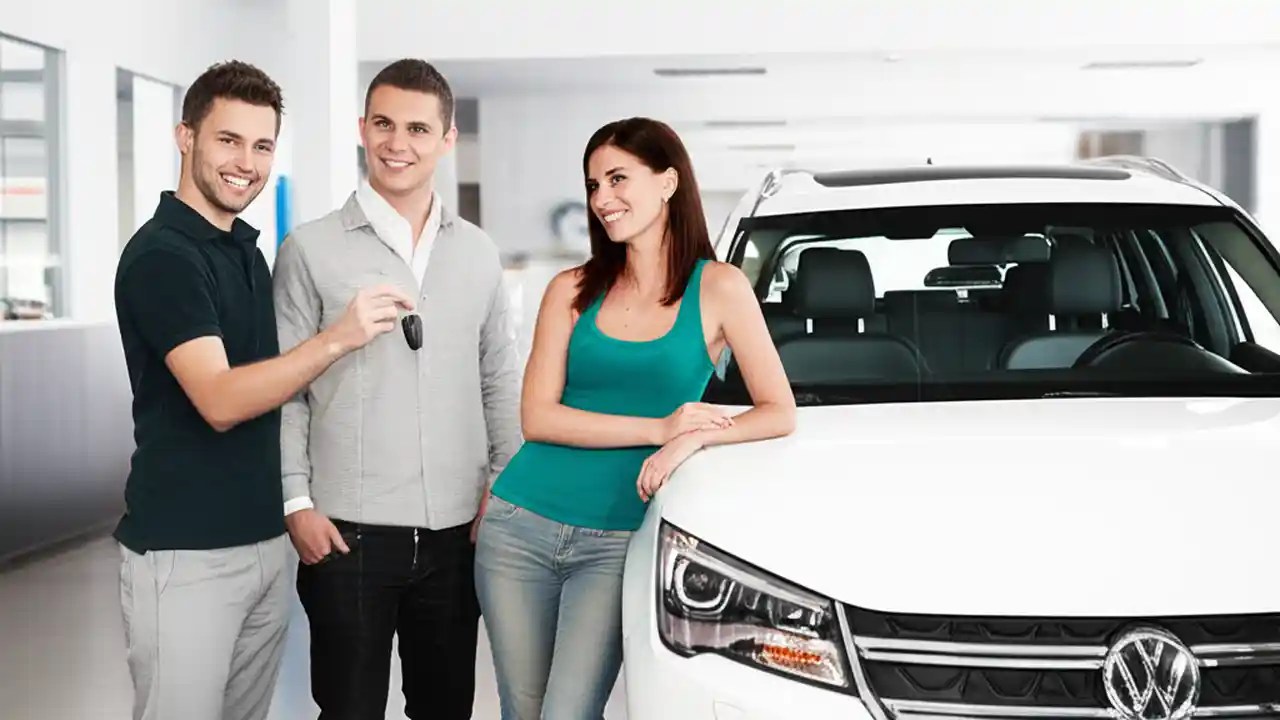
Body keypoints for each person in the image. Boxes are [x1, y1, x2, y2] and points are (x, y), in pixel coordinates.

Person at [113, 61, 414, 720]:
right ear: (184, 137)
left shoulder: (244, 250)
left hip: (260, 545)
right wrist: (337, 338)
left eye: (262, 145)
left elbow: (282, 387)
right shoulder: (164, 257)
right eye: (227, 140)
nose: (245, 162)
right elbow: (220, 400)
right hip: (185, 556)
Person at [475, 117, 797, 719]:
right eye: (593, 184)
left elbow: (779, 411)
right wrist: (659, 430)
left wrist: (689, 443)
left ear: (669, 181)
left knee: (568, 713)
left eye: (618, 179)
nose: (602, 199)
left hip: (618, 537)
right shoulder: (570, 289)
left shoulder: (720, 288)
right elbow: (538, 419)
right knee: (521, 712)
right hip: (519, 524)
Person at [272, 58, 522, 719]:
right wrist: (296, 501)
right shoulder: (310, 249)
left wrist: (505, 478)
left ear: (447, 140)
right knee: (348, 709)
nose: (397, 143)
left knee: (445, 708)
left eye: (417, 128)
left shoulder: (477, 252)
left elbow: (498, 374)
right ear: (362, 128)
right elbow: (287, 385)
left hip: (456, 532)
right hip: (344, 532)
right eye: (383, 124)